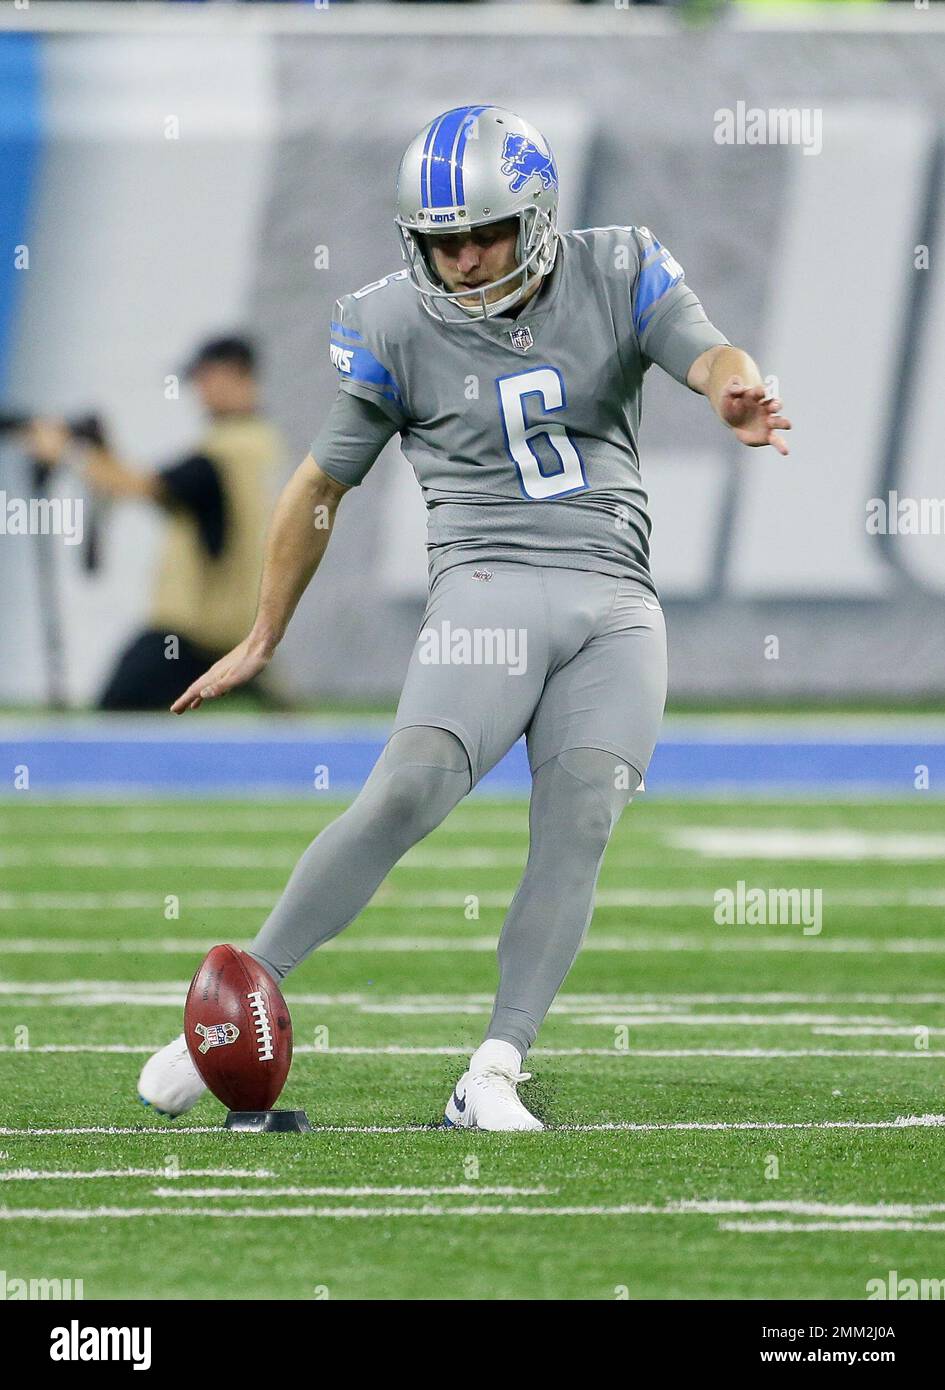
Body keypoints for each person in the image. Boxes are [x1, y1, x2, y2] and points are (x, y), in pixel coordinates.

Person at [139, 106, 790, 1130]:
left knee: (580, 821)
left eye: (485, 232)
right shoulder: (392, 319)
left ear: (535, 217)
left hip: (617, 598)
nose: (465, 257)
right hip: (486, 584)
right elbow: (318, 486)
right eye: (443, 240)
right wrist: (265, 634)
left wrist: (736, 389)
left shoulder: (617, 266)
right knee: (409, 788)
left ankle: (493, 1065)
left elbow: (709, 353)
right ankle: (229, 1008)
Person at [27, 336, 285, 710]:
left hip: (194, 632)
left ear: (234, 374)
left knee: (118, 714)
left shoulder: (224, 454)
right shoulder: (259, 445)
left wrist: (67, 452)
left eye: (204, 378)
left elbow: (140, 486)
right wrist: (99, 456)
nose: (198, 390)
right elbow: (168, 496)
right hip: (232, 628)